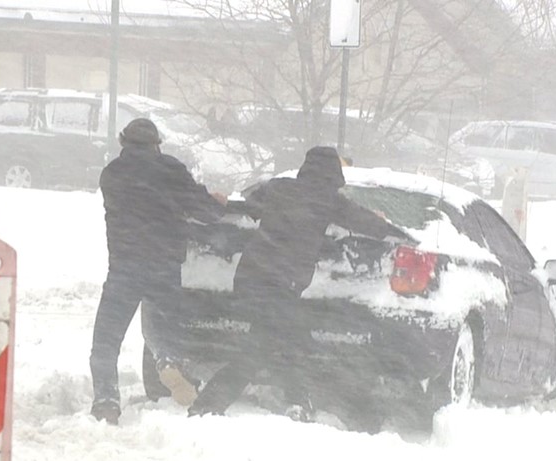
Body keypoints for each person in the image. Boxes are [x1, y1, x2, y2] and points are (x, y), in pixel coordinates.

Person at [188, 146, 412, 420]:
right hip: (282, 283)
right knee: (262, 347)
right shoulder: (329, 200)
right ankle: (208, 406)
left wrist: (225, 204)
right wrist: (389, 226)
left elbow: (249, 206)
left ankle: (298, 403)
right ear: (334, 174)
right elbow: (368, 225)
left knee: (288, 341)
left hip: (251, 276)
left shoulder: (280, 188)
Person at [90, 117, 227, 424]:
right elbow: (204, 210)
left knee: (106, 341)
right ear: (156, 144)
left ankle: (107, 401)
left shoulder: (111, 174)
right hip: (163, 267)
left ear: (124, 142)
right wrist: (217, 202)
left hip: (124, 267)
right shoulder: (171, 170)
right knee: (164, 329)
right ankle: (168, 359)